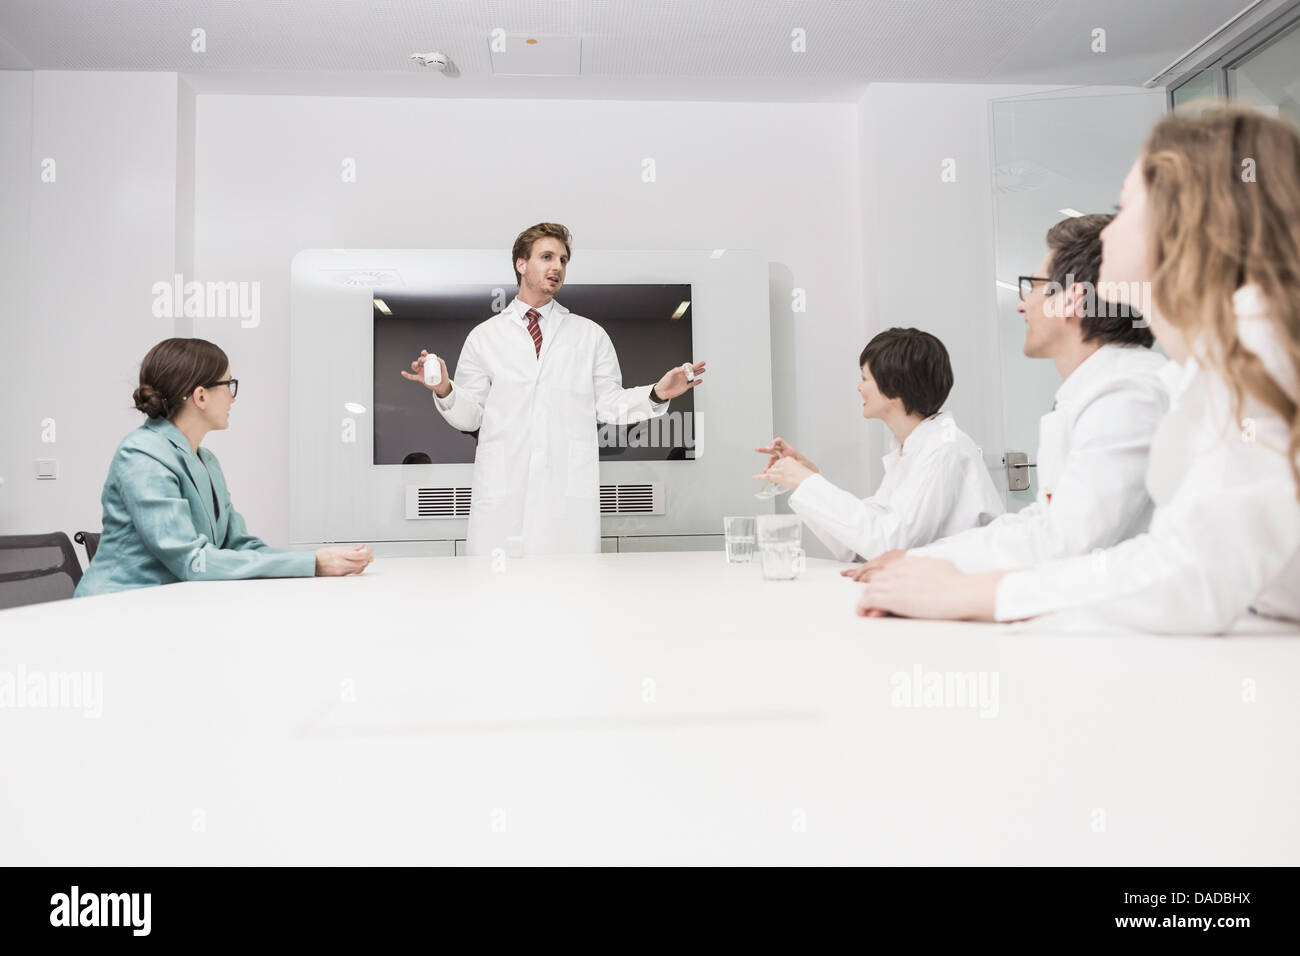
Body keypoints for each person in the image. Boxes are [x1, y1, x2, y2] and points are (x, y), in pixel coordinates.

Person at [857, 104, 1300, 633]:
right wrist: (941, 572)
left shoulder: (1250, 350)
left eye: (1125, 207)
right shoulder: (1216, 358)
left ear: (1185, 219)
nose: (1109, 231)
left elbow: (1191, 575)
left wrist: (979, 592)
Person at [845, 213, 1168, 581]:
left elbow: (1067, 542)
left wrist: (928, 568)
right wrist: (921, 559)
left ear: (1074, 299)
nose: (1021, 304)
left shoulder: (1128, 395)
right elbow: (1043, 522)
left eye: (1032, 287)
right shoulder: (1100, 392)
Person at [403, 222, 705, 555]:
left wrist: (656, 393)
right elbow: (471, 417)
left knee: (571, 593)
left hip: (566, 499)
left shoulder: (589, 335)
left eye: (562, 260)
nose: (557, 267)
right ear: (521, 264)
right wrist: (445, 388)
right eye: (547, 257)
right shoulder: (484, 337)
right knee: (495, 595)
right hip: (503, 495)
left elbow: (608, 404)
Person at [76, 338, 372, 597]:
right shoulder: (141, 455)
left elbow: (239, 544)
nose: (233, 397)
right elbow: (193, 561)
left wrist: (314, 560)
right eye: (228, 385)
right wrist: (314, 564)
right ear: (200, 396)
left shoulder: (206, 461)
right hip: (116, 610)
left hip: (170, 606)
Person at [753, 328, 1003, 562]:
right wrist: (809, 478)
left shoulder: (944, 448)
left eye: (865, 378)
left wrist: (807, 482)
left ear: (893, 388)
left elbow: (889, 543)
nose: (859, 388)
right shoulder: (912, 447)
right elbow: (857, 545)